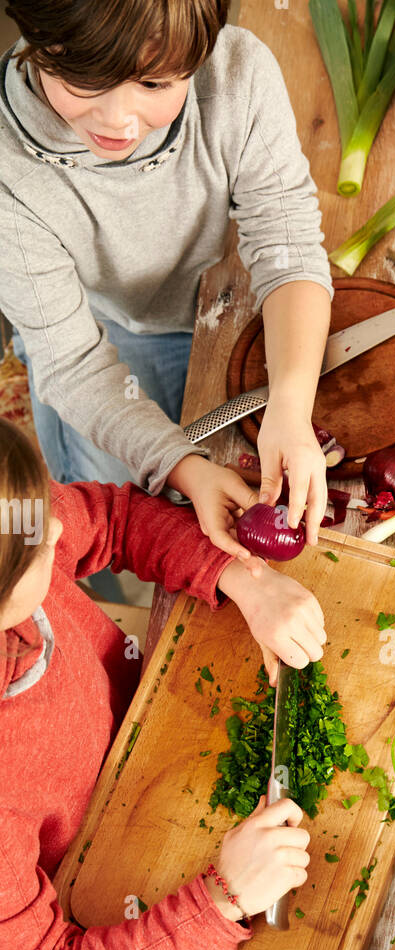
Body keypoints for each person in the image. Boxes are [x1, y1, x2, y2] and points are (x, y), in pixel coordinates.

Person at [0, 417, 324, 950]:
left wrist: (234, 577)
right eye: (38, 544)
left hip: (157, 729)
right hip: (123, 882)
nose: (59, 528)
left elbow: (111, 519)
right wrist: (223, 898)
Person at [0, 0, 334, 563]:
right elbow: (75, 364)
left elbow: (288, 245)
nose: (119, 120)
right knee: (107, 510)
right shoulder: (9, 176)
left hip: (209, 312)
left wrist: (292, 405)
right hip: (93, 333)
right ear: (36, 41)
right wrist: (187, 471)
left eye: (154, 83)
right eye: (85, 80)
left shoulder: (239, 76)